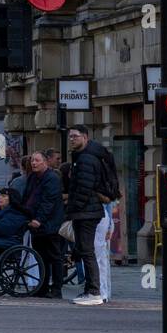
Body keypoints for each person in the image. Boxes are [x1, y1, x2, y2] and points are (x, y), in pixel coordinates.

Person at [64, 125, 118, 305]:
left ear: (85, 137)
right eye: (70, 137)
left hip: (87, 212)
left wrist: (73, 208)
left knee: (88, 251)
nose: (72, 139)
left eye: (76, 136)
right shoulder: (83, 156)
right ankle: (90, 290)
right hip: (87, 211)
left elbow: (84, 187)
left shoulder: (86, 159)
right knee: (85, 250)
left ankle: (94, 291)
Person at [20, 150, 65, 298]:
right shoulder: (33, 177)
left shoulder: (52, 178)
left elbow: (48, 202)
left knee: (54, 257)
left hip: (50, 223)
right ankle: (43, 287)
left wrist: (39, 219)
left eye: (37, 160)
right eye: (32, 160)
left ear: (45, 162)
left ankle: (57, 288)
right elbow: (29, 197)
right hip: (35, 223)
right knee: (41, 257)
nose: (34, 163)